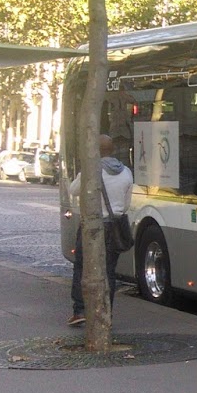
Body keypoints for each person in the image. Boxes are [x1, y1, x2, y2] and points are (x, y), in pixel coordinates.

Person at [67, 135, 134, 326]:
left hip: (93, 227)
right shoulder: (127, 172)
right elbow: (126, 204)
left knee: (82, 267)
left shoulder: (91, 170)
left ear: (95, 150)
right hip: (115, 227)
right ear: (112, 150)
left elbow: (73, 190)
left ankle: (80, 310)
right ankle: (106, 312)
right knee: (109, 272)